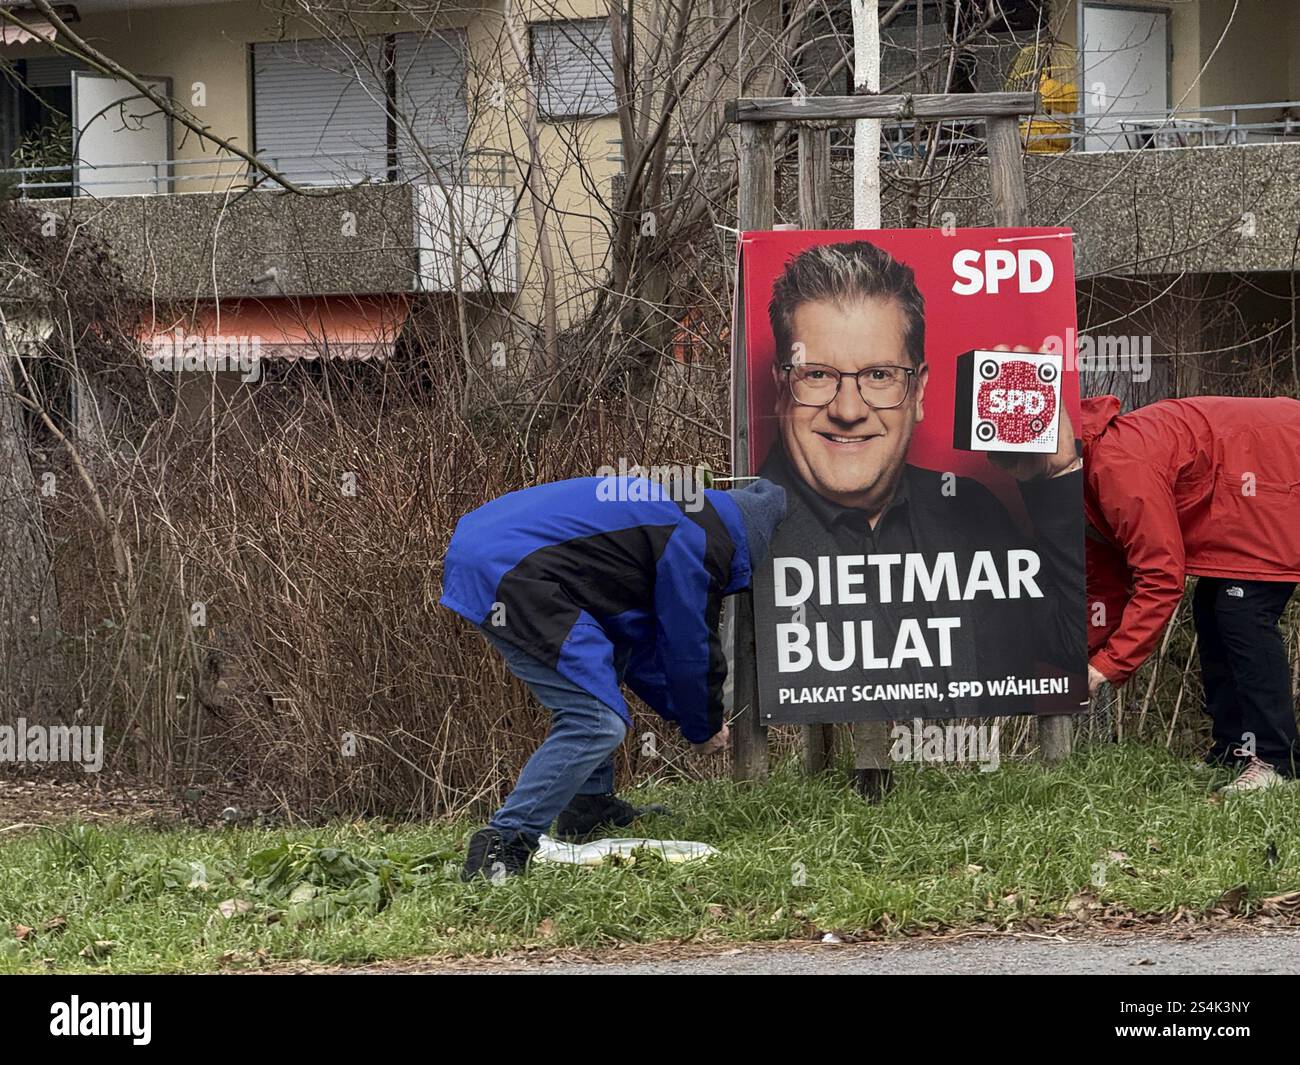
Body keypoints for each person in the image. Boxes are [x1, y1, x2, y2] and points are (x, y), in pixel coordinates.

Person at [757, 240, 1087, 793]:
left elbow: (1074, 647)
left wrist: (1052, 480)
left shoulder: (970, 509)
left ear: (921, 391)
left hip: (970, 812)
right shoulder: (746, 534)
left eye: (880, 375)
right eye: (816, 374)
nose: (848, 409)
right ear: (780, 384)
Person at [440, 474, 786, 879]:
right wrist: (702, 725)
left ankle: (590, 807)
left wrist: (684, 716)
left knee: (611, 655)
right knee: (594, 723)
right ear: (749, 545)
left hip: (496, 553)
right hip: (508, 569)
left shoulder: (674, 517)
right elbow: (687, 645)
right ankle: (500, 847)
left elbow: (640, 649)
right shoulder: (697, 539)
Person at [1082, 394, 1300, 792]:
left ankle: (1277, 761)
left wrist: (1108, 666)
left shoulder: (1119, 466)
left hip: (1277, 471)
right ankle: (1234, 749)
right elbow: (1110, 583)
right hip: (1242, 493)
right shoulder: (1079, 473)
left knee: (1242, 609)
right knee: (1212, 605)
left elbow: (1161, 579)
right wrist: (1083, 655)